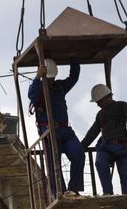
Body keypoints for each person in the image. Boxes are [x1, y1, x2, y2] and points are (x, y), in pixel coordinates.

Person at [28, 58, 85, 196]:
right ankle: (60, 192)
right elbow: (31, 95)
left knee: (78, 154)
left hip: (65, 130)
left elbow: (73, 78)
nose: (51, 81)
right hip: (48, 131)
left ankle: (73, 190)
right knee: (54, 164)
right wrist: (37, 77)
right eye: (48, 78)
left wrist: (74, 59)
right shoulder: (38, 89)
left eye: (52, 78)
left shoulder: (59, 87)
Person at [81, 83, 127, 195]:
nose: (98, 104)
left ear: (107, 97)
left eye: (99, 102)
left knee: (125, 172)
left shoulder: (122, 106)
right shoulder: (100, 114)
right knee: (100, 162)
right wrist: (81, 146)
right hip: (106, 146)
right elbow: (93, 132)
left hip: (121, 146)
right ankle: (107, 192)